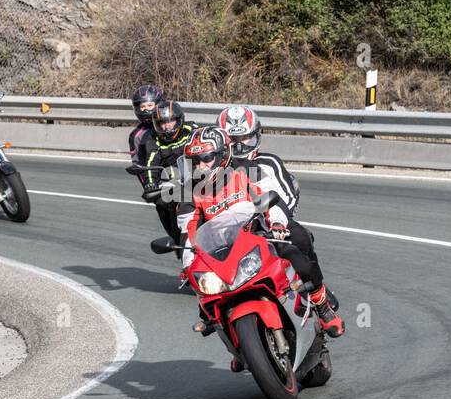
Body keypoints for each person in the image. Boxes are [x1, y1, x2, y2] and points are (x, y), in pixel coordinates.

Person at [183, 127, 344, 342]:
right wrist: (188, 262)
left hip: (257, 234)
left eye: (205, 158)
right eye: (195, 161)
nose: (200, 166)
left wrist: (277, 223)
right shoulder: (189, 190)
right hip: (221, 250)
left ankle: (321, 304)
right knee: (205, 299)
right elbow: (188, 230)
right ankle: (237, 342)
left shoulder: (248, 169)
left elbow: (271, 197)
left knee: (298, 253)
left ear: (222, 154)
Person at [218, 104, 300, 214]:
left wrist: (276, 218)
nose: (239, 146)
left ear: (256, 136)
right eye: (233, 139)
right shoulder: (215, 166)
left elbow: (288, 199)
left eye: (245, 138)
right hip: (225, 225)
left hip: (266, 224)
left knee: (300, 231)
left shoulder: (269, 163)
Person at [135, 99, 196, 244]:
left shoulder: (192, 130)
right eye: (162, 123)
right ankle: (177, 239)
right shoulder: (153, 141)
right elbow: (150, 164)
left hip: (199, 177)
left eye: (170, 122)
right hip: (173, 183)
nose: (167, 127)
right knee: (162, 202)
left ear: (179, 120)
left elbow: (209, 143)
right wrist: (150, 183)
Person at [128, 84, 166, 160]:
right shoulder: (135, 135)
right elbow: (137, 162)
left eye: (149, 106)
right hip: (150, 169)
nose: (146, 110)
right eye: (143, 107)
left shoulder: (169, 126)